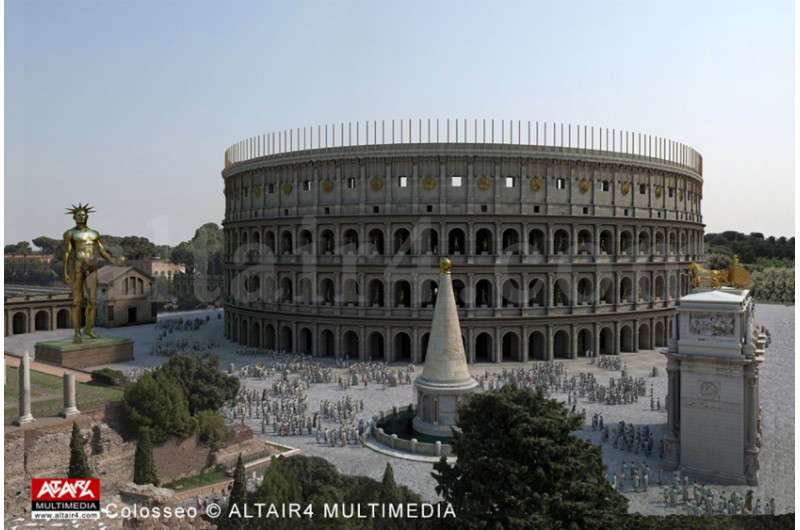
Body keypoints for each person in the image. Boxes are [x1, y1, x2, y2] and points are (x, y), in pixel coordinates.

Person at [62, 204, 125, 343]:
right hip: (78, 268)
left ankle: (88, 329)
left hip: (92, 268)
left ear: (87, 216)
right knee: (77, 302)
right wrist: (64, 272)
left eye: (83, 215)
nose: (81, 217)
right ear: (74, 217)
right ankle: (77, 333)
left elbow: (101, 251)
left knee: (93, 301)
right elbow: (67, 253)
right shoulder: (70, 234)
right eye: (79, 215)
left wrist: (112, 260)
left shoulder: (95, 234)